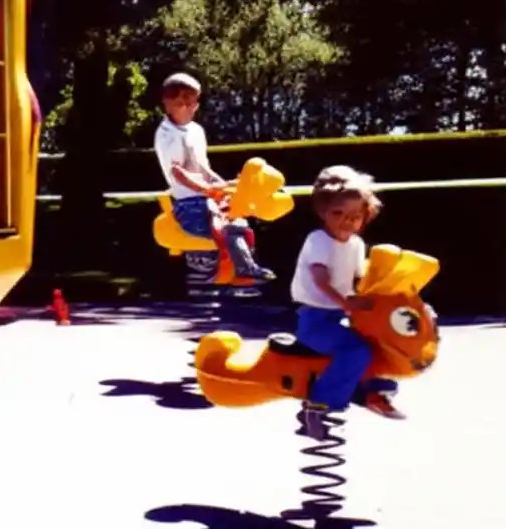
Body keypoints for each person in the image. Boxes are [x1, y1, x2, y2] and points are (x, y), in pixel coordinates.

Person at [292, 165, 405, 438]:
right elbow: (320, 279)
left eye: (355, 216)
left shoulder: (356, 244)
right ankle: (320, 405)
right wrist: (346, 302)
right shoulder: (319, 240)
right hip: (314, 318)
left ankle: (374, 391)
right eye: (338, 213)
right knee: (354, 351)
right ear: (323, 212)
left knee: (379, 341)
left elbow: (362, 279)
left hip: (339, 313)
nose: (347, 221)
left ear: (366, 216)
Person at [153, 72, 276, 283]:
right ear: (167, 103)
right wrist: (205, 189)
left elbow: (203, 166)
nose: (189, 107)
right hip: (189, 203)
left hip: (207, 198)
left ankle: (234, 268)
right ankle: (242, 268)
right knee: (228, 226)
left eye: (193, 101)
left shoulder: (196, 131)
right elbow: (178, 172)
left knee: (239, 219)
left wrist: (223, 185)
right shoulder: (167, 135)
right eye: (181, 101)